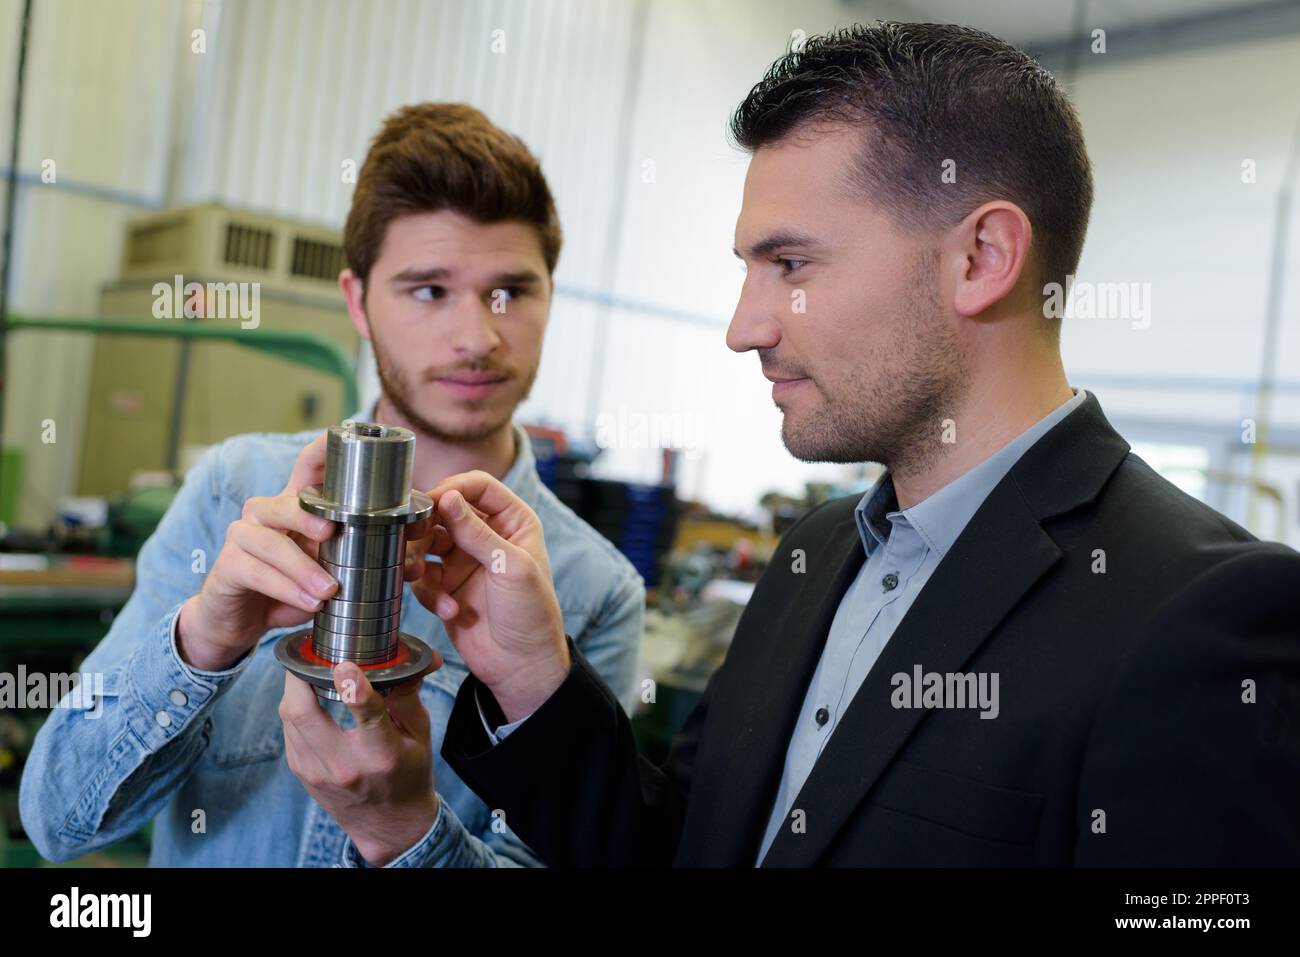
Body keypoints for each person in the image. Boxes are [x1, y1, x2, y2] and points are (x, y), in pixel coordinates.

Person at [416, 24, 1300, 866]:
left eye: (791, 266)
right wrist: (534, 677)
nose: (743, 326)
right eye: (747, 271)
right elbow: (683, 846)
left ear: (981, 258)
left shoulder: (1199, 614)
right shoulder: (818, 552)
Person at [20, 103, 645, 868]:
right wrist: (201, 644)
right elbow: (56, 819)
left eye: (510, 291)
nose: (477, 337)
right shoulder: (231, 493)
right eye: (427, 290)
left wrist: (403, 832)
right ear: (357, 301)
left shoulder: (593, 591)